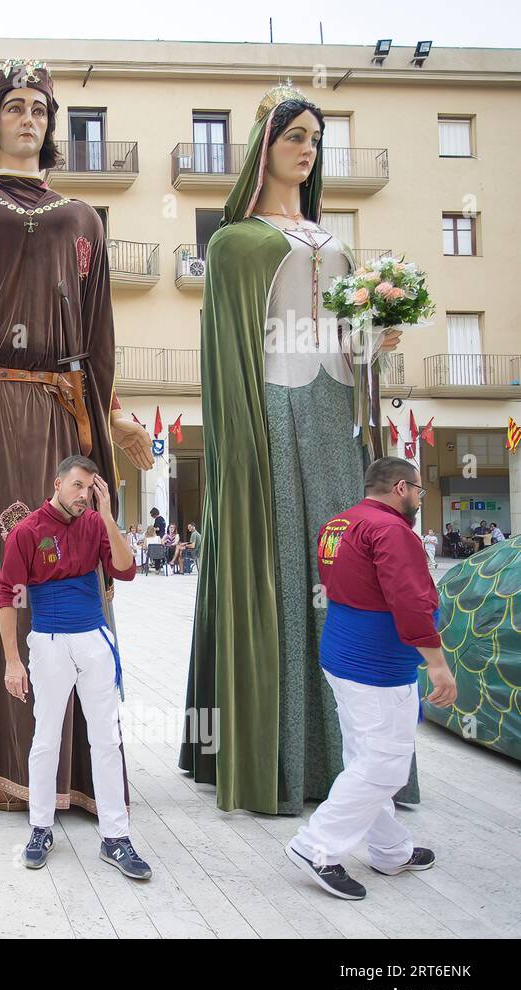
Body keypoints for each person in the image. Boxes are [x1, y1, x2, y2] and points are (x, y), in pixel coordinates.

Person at [0, 59, 152, 809]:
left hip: (56, 419)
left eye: (39, 109)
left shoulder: (84, 220)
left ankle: (70, 774)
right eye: (14, 107)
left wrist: (113, 413)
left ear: (50, 126)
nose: (27, 119)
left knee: (64, 573)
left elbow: (100, 332)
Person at [180, 86, 412, 816]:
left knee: (346, 568)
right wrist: (242, 444)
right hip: (271, 413)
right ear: (265, 147)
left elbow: (345, 342)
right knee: (282, 571)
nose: (307, 148)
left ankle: (355, 755)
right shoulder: (235, 241)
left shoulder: (335, 241)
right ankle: (278, 757)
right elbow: (230, 356)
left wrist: (378, 339)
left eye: (314, 137)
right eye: (294, 136)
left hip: (328, 409)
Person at [286, 458, 454, 899]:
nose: (420, 497)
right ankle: (316, 846)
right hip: (376, 665)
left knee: (365, 757)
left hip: (344, 654)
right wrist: (437, 663)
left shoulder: (337, 524)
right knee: (385, 763)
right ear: (401, 487)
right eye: (418, 489)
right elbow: (411, 601)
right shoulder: (393, 531)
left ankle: (390, 850)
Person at [0, 456, 150, 879]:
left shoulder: (96, 523)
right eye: (77, 486)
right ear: (58, 483)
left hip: (95, 641)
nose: (83, 495)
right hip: (47, 642)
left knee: (106, 738)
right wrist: (13, 661)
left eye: (90, 488)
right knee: (46, 738)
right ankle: (40, 828)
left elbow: (126, 570)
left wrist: (107, 517)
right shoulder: (27, 532)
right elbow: (8, 596)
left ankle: (115, 837)